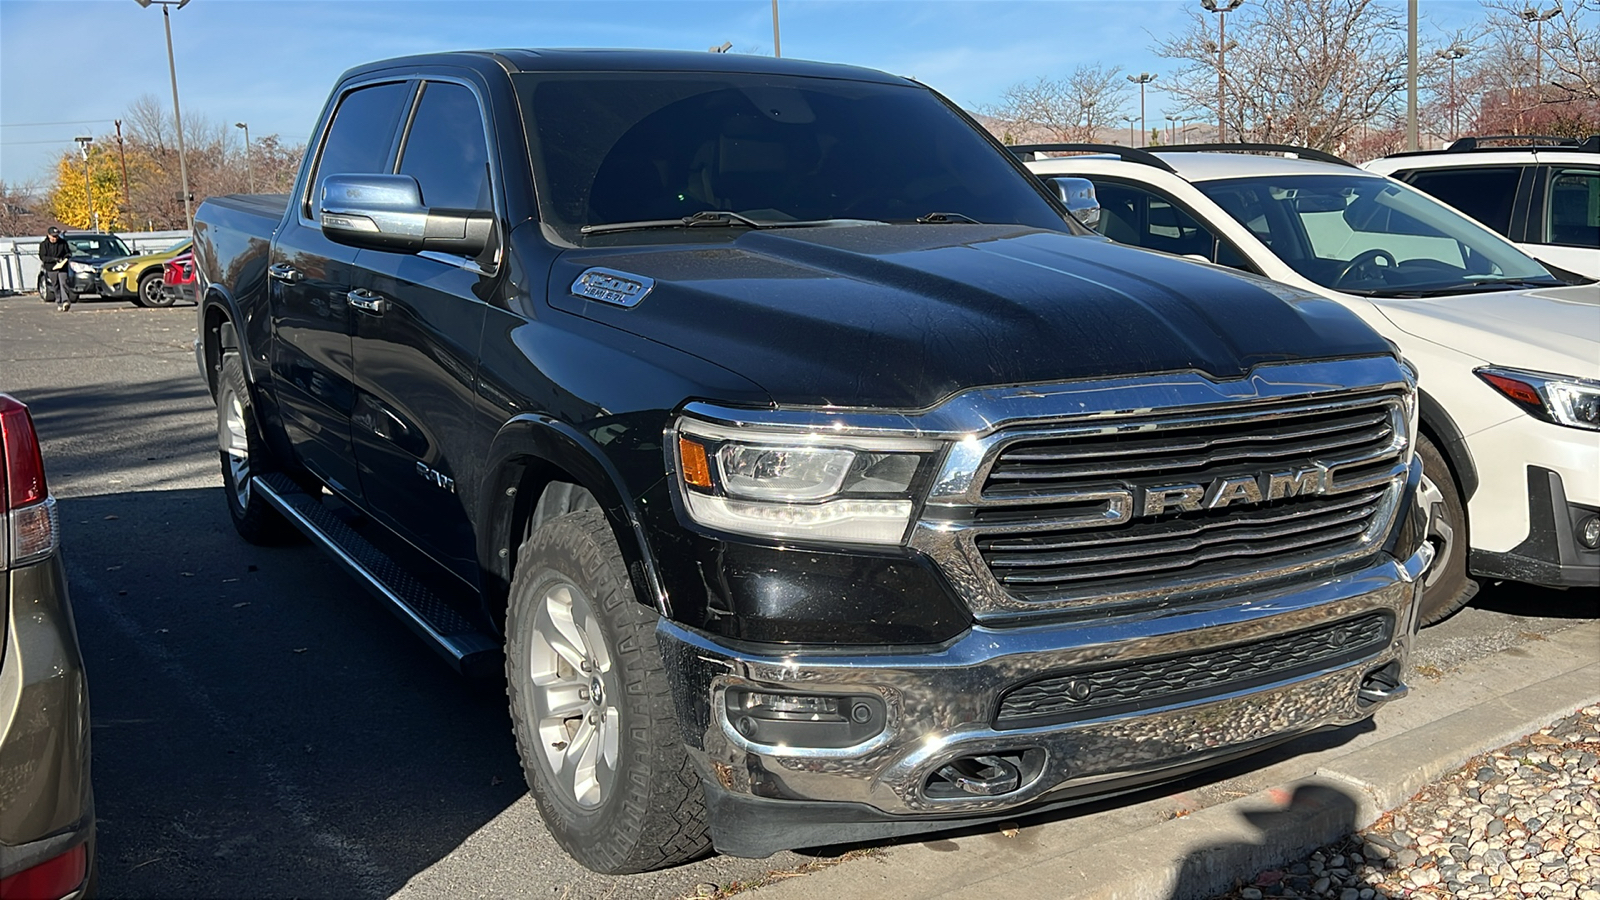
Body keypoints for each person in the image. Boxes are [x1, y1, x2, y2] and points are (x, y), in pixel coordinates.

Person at [38, 227, 74, 311]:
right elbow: (43, 257)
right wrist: (54, 260)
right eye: (53, 236)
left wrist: (64, 259)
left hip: (62, 266)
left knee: (63, 282)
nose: (55, 238)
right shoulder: (44, 245)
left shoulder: (63, 243)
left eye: (56, 236)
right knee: (55, 285)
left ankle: (65, 301)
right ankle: (59, 302)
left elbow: (68, 253)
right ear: (48, 235)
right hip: (51, 268)